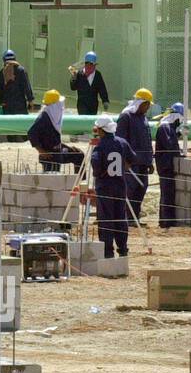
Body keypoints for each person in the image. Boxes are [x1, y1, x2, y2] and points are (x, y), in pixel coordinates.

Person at [90, 117, 138, 259]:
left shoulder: (100, 146)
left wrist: (99, 173)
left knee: (106, 219)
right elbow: (133, 158)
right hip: (120, 185)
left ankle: (107, 251)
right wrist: (124, 167)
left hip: (105, 187)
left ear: (101, 130)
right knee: (120, 218)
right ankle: (123, 249)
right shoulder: (122, 142)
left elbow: (96, 164)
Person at [115, 88, 155, 220]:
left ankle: (134, 217)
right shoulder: (126, 117)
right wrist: (124, 160)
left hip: (143, 162)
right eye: (147, 104)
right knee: (130, 191)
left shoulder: (143, 118)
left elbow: (148, 139)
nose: (148, 107)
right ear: (140, 103)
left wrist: (150, 161)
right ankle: (127, 218)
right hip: (131, 164)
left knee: (141, 189)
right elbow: (120, 140)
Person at [27, 90, 83, 172]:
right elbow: (31, 133)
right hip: (50, 156)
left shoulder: (54, 116)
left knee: (78, 155)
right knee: (52, 179)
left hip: (58, 150)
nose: (61, 105)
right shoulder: (44, 117)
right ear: (54, 105)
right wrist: (42, 151)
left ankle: (79, 183)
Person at [154, 103, 187, 229]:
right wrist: (179, 155)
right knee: (167, 194)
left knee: (168, 193)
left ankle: (166, 219)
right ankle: (167, 221)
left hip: (166, 165)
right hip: (165, 166)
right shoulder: (165, 127)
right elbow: (170, 145)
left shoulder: (168, 127)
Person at [0, 49, 33, 114]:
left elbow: (0, 89)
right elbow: (26, 86)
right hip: (20, 105)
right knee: (21, 123)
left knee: (8, 123)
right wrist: (30, 100)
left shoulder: (1, 73)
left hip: (7, 106)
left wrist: (1, 101)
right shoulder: (21, 70)